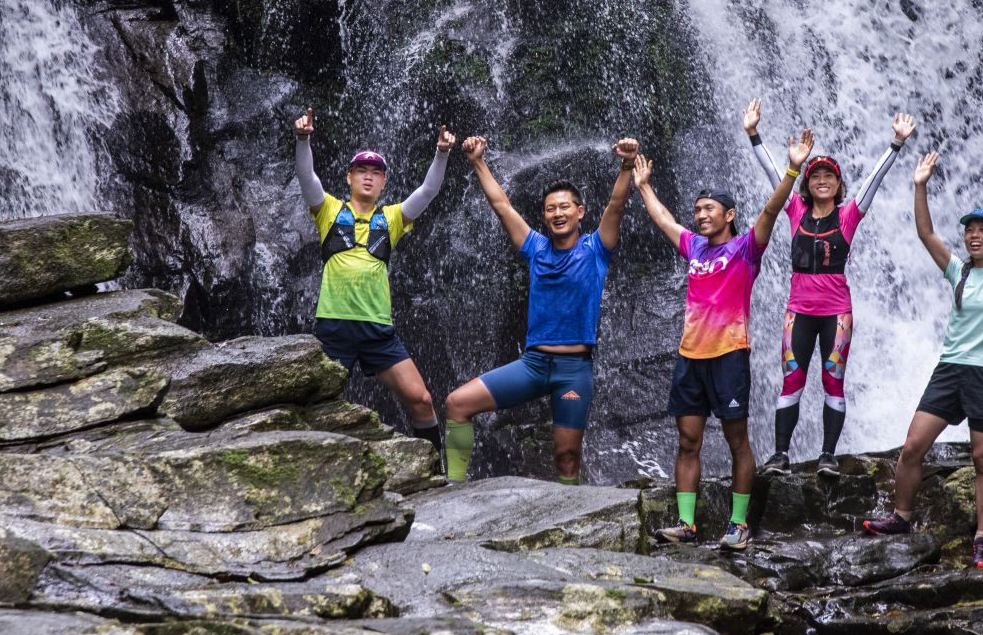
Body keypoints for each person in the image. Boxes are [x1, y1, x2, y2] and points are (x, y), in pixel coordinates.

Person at [862, 150, 983, 570]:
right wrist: (919, 185)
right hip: (949, 368)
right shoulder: (959, 271)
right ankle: (901, 517)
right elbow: (926, 233)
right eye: (969, 230)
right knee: (913, 445)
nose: (974, 236)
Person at [634, 130, 812, 552]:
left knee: (737, 441)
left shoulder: (746, 250)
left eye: (708, 209)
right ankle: (687, 523)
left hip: (730, 355)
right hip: (690, 357)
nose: (700, 216)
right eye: (696, 210)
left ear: (729, 214)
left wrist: (792, 169)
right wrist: (643, 186)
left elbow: (770, 210)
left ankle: (738, 525)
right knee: (687, 441)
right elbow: (663, 219)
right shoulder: (694, 248)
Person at [442, 135, 639, 484]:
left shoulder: (596, 249)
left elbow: (616, 205)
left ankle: (575, 518)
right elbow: (501, 205)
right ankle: (453, 487)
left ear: (580, 213)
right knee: (457, 404)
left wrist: (626, 166)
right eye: (550, 209)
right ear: (544, 216)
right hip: (533, 365)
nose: (557, 213)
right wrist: (477, 160)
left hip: (573, 370)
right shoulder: (535, 247)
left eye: (564, 207)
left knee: (566, 457)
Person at [744, 99, 917, 477]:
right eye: (816, 176)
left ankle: (827, 455)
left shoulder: (849, 215)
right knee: (792, 379)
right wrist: (754, 134)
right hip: (799, 311)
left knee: (832, 380)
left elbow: (875, 179)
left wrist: (897, 143)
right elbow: (774, 173)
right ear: (807, 183)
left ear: (838, 185)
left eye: (829, 176)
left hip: (837, 313)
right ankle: (780, 455)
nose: (822, 180)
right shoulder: (793, 210)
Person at [293, 107, 454, 455]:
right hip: (334, 328)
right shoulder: (329, 211)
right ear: (350, 177)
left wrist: (442, 152)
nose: (368, 177)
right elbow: (307, 178)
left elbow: (428, 191)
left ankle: (431, 473)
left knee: (422, 399)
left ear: (383, 182)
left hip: (378, 330)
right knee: (317, 408)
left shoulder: (392, 218)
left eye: (376, 173)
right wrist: (303, 139)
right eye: (362, 171)